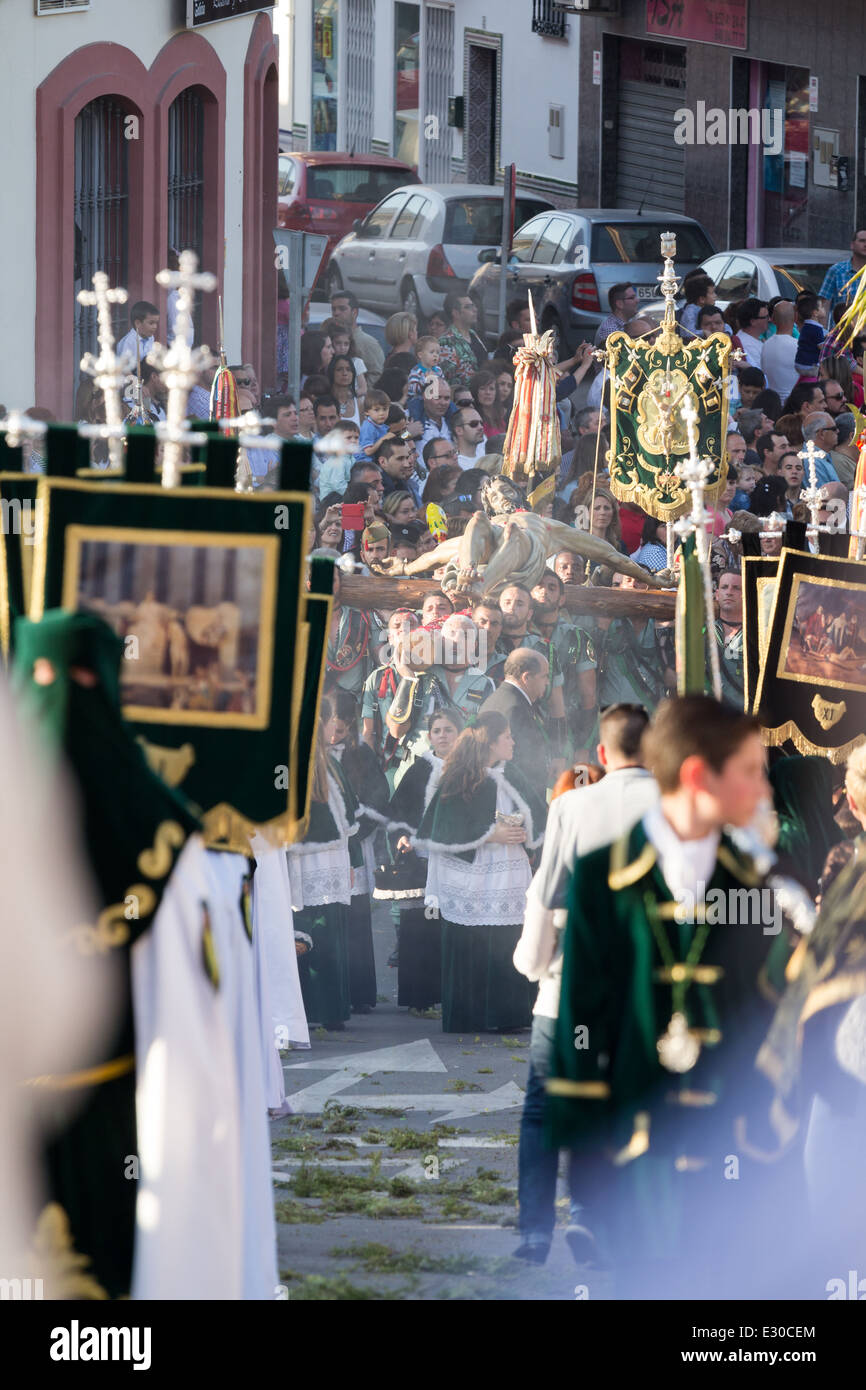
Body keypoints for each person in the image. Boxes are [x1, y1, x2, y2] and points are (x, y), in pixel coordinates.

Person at [546, 695, 775, 1298]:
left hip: (731, 1142)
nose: (762, 787)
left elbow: (768, 1007)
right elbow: (581, 1015)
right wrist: (585, 1145)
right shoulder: (604, 872)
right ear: (699, 776)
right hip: (635, 1142)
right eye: (750, 771)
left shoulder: (754, 878)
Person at [512, 702, 658, 1264]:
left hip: (569, 984)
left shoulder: (573, 804)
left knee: (542, 1106)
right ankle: (592, 1215)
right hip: (640, 988)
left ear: (601, 752)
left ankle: (534, 1232)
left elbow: (549, 888)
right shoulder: (671, 804)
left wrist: (534, 963)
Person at [414, 711, 544, 1033]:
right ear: (491, 742)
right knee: (471, 940)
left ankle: (507, 1016)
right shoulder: (458, 776)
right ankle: (469, 1015)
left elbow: (538, 814)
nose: (513, 741)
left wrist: (524, 831)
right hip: (469, 875)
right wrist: (490, 835)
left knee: (506, 940)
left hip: (506, 872)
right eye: (507, 736)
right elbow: (442, 829)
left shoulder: (513, 774)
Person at [384, 709, 463, 1011]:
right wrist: (402, 837)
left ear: (459, 734)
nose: (442, 736)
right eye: (437, 731)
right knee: (421, 927)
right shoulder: (420, 769)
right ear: (429, 736)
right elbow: (397, 811)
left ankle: (453, 996)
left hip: (459, 861)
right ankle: (420, 999)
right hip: (424, 861)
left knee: (452, 927)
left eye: (448, 730)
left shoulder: (469, 768)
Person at [323, 692, 389, 1015]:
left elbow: (379, 797)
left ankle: (360, 992)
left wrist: (354, 832)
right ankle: (332, 991)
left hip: (353, 843)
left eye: (339, 730)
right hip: (323, 847)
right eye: (329, 728)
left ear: (350, 724)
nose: (333, 736)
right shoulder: (314, 751)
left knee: (356, 919)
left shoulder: (361, 754)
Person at [288, 721, 354, 1032]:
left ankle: (314, 1009)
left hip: (308, 863)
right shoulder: (331, 766)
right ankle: (332, 1010)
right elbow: (350, 820)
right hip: (328, 863)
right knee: (325, 935)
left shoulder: (299, 768)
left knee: (309, 932)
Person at [478, 648, 553, 800]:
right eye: (544, 676)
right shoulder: (515, 709)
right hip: (516, 799)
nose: (547, 682)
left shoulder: (499, 698)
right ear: (527, 677)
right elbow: (520, 765)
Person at [330, 290, 385, 383]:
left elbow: (376, 375)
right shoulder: (328, 338)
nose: (336, 313)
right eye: (333, 309)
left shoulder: (368, 343)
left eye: (342, 309)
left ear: (354, 312)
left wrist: (356, 389)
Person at [437, 292, 488, 390]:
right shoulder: (446, 341)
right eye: (468, 307)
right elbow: (447, 378)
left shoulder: (473, 334)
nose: (475, 310)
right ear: (456, 313)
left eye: (474, 306)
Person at [713, 568, 745, 709]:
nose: (729, 592)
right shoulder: (703, 631)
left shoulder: (756, 636)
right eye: (724, 587)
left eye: (736, 588)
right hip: (706, 715)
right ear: (717, 594)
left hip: (740, 716)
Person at [818, 229, 866, 316]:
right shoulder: (836, 271)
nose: (865, 244)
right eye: (862, 241)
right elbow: (824, 306)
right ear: (852, 245)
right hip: (842, 324)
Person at [760, 299, 799, 399]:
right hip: (793, 402)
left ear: (772, 319)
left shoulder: (765, 345)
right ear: (795, 318)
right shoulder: (797, 346)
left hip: (772, 400)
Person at [800, 413, 841, 486]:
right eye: (834, 429)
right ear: (822, 434)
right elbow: (823, 492)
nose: (838, 431)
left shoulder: (820, 458)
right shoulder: (813, 461)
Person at [731, 298, 768, 374]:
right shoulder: (746, 345)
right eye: (765, 317)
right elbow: (762, 373)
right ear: (753, 321)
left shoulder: (753, 339)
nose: (769, 319)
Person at [116, 300, 159, 365]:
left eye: (156, 323)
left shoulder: (151, 337)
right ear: (138, 323)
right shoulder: (129, 342)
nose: (155, 327)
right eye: (151, 323)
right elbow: (124, 367)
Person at [794, 292, 825, 379]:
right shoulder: (816, 328)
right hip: (810, 365)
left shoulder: (806, 326)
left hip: (799, 362)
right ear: (815, 313)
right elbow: (822, 347)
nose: (824, 309)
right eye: (821, 307)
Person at [407, 335, 446, 404]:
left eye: (437, 352)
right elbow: (412, 389)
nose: (435, 355)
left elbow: (443, 384)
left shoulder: (438, 370)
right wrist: (425, 381)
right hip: (418, 402)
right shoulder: (416, 371)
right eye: (432, 352)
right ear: (420, 355)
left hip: (435, 400)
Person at [355, 388, 390, 461]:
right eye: (376, 410)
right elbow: (368, 451)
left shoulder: (383, 425)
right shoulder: (368, 427)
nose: (381, 413)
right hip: (364, 462)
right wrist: (383, 439)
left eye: (384, 409)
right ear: (367, 412)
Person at [470, 369, 507, 438]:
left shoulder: (502, 417)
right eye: (482, 388)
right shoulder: (472, 418)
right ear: (475, 392)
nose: (488, 392)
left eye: (491, 389)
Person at [418, 377, 454, 448]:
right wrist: (408, 433)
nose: (443, 403)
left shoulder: (454, 423)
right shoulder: (408, 417)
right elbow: (396, 440)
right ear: (425, 396)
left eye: (446, 398)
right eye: (437, 397)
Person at [327, 354, 361, 427]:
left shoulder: (359, 404)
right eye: (339, 369)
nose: (345, 373)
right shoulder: (323, 402)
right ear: (332, 372)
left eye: (348, 370)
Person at [678, 273, 716, 337]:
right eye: (712, 293)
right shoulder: (690, 312)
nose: (715, 296)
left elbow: (723, 324)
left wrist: (727, 332)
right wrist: (703, 332)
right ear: (702, 299)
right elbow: (688, 333)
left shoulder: (711, 309)